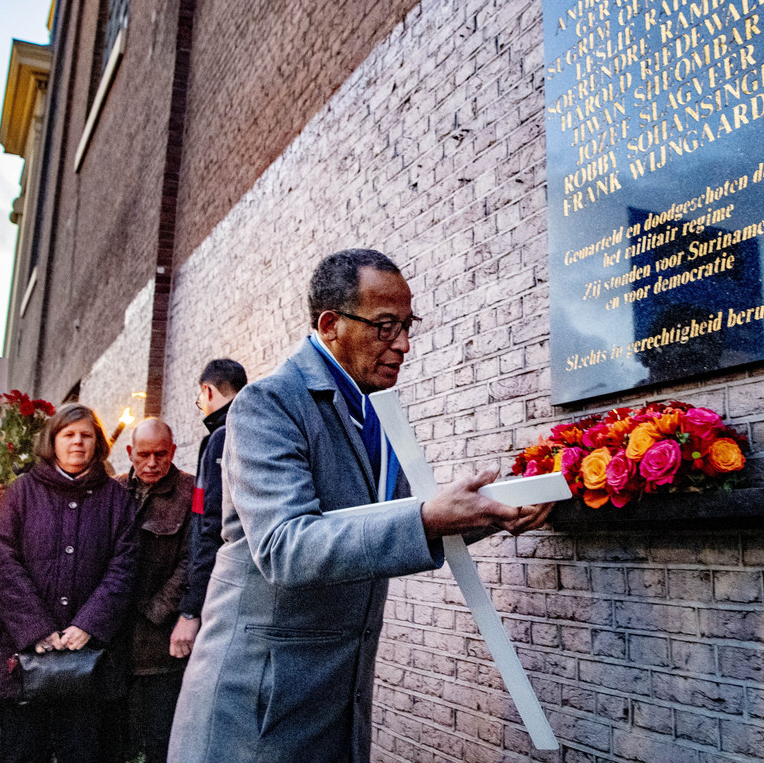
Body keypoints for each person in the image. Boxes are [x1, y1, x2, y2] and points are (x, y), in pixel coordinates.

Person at [168, 249, 552, 763]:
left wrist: (501, 508)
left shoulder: (375, 413)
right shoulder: (269, 403)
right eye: (386, 326)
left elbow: (398, 525)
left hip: (335, 707)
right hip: (254, 711)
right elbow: (286, 547)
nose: (404, 344)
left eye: (408, 326)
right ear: (330, 325)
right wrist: (428, 517)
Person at [0, 403, 138, 763]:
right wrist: (35, 628)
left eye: (86, 435)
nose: (77, 442)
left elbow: (124, 566)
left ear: (98, 442)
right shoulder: (21, 492)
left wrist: (89, 623)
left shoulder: (116, 499)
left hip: (88, 659)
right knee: (21, 752)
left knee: (82, 752)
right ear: (52, 441)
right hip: (26, 655)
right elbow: (3, 564)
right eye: (68, 434)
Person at [115, 419, 193, 763]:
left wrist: (156, 611)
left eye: (160, 454)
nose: (151, 463)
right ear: (130, 452)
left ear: (172, 451)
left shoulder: (192, 491)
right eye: (143, 454)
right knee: (117, 741)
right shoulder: (114, 490)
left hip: (163, 644)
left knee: (161, 739)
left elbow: (194, 559)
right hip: (114, 642)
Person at [170, 358, 245, 658]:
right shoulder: (252, 426)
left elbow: (210, 525)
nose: (200, 405)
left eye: (199, 398)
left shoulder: (221, 437)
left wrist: (191, 609)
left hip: (221, 586)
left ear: (208, 390)